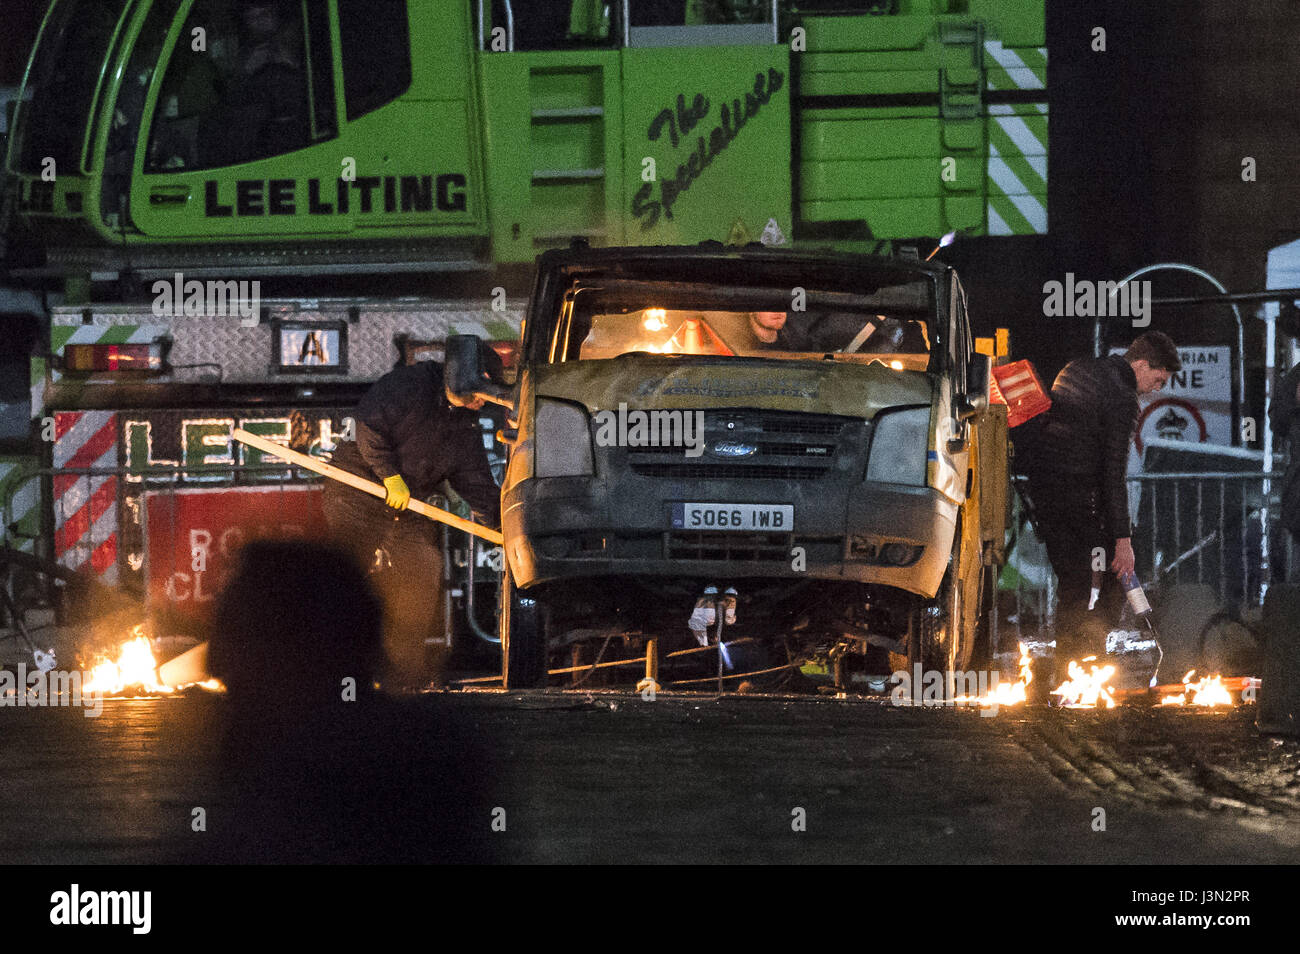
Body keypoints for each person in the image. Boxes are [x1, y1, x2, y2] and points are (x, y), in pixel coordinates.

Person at [322, 357, 501, 690]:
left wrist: (502, 530)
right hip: (357, 492)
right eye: (483, 389)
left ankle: (402, 681)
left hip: (407, 505)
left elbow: (477, 485)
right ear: (461, 376)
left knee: (421, 570)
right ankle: (332, 674)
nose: (486, 399)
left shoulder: (465, 427)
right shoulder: (413, 384)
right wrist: (389, 476)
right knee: (348, 577)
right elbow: (369, 424)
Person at [1017, 331, 1182, 686]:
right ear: (1141, 364)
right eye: (1158, 378)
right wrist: (1123, 538)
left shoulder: (1075, 369)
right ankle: (1087, 652)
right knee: (1114, 576)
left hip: (1045, 493)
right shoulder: (1122, 398)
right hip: (1082, 499)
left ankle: (1067, 672)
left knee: (1073, 583)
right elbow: (1113, 472)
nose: (1156, 388)